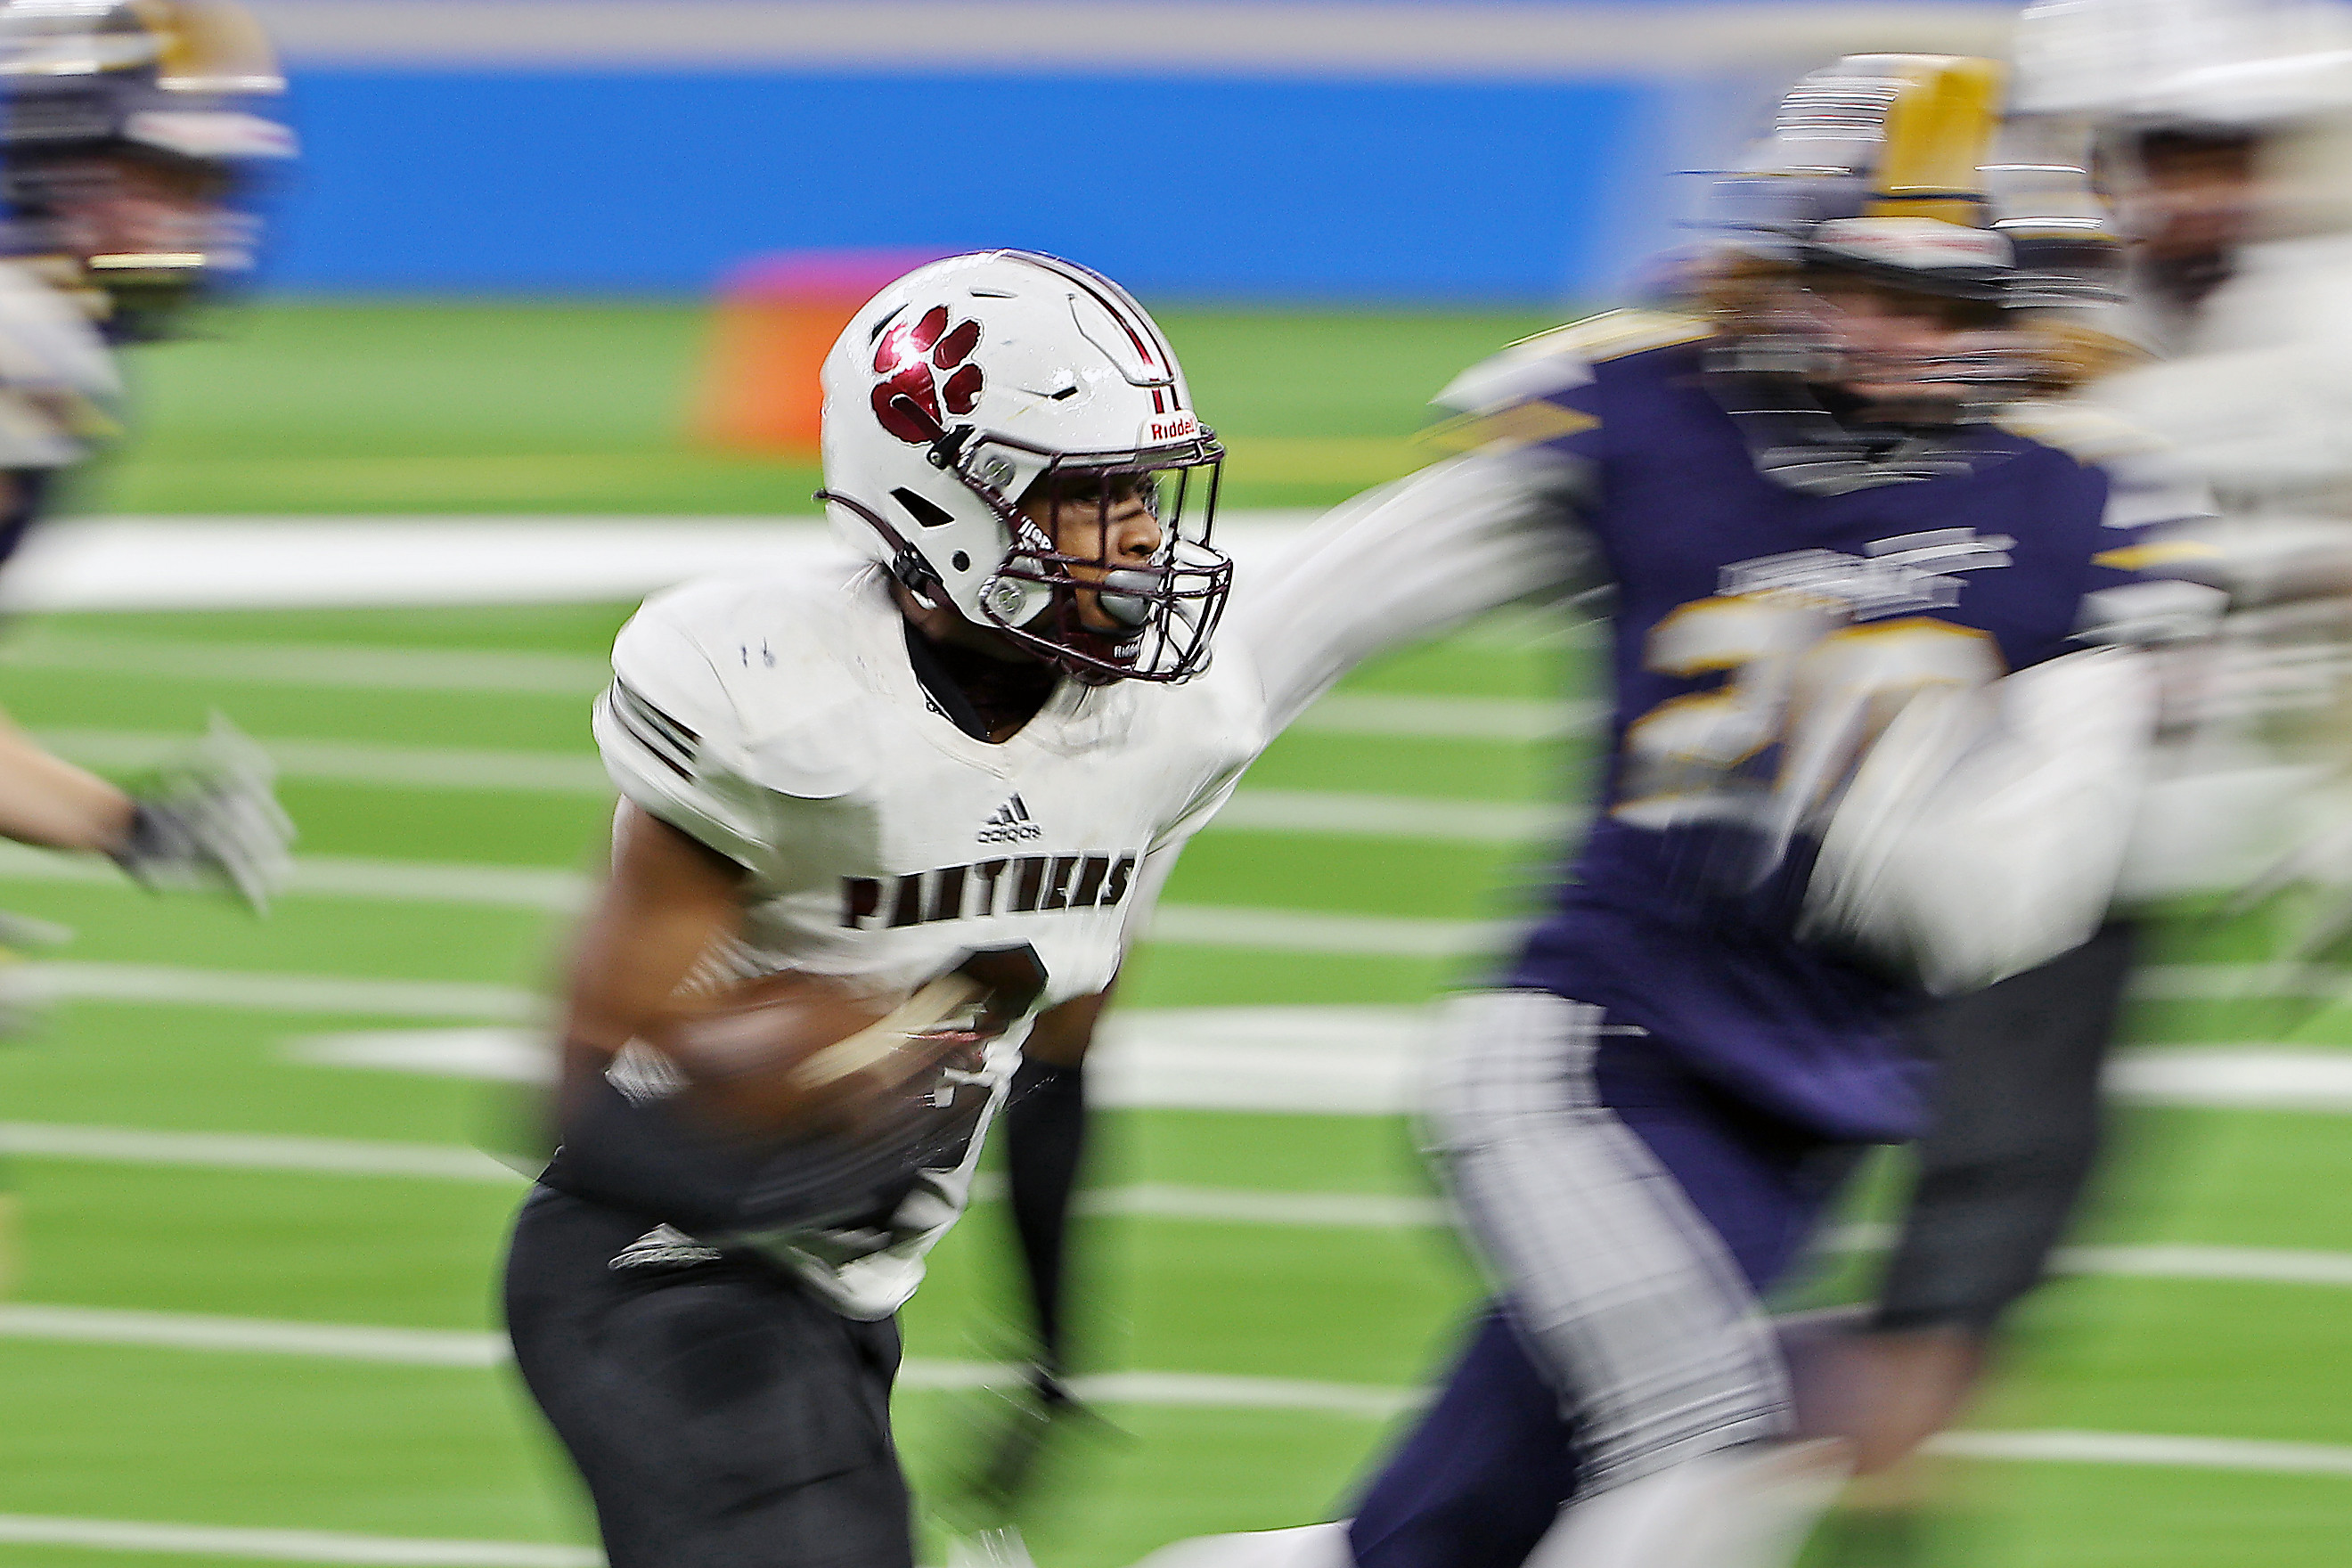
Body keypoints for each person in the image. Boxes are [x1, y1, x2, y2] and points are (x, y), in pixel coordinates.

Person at [1134, 51, 2206, 1568]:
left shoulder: (2079, 500)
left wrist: (1951, 839)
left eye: (1950, 301)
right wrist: (1109, 798)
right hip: (1592, 1048)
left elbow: (2036, 877)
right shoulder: (1647, 418)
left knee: (1436, 1540)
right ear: (1777, 266)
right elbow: (1298, 619)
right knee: (1705, 1436)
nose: (1901, 335)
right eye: (1862, 284)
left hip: (1818, 1102)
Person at [499, 249, 1573, 1568]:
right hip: (657, 1260)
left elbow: (1060, 1059)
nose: (1140, 536)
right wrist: (789, 1131)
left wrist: (1051, 1349)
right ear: (941, 500)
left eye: (1142, 490)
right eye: (1087, 495)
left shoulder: (1167, 728)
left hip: (842, 1296)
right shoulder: (774, 696)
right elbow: (578, 1096)